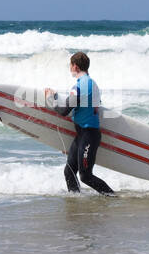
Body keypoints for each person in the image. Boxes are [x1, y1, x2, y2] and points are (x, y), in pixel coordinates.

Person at [45, 51, 115, 194]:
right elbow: (83, 105)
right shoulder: (92, 84)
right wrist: (57, 96)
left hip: (88, 135)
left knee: (85, 176)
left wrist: (50, 99)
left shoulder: (80, 86)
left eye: (70, 65)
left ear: (75, 66)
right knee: (69, 171)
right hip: (83, 135)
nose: (70, 67)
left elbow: (64, 110)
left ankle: (112, 197)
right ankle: (77, 202)